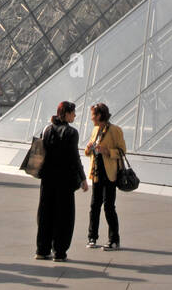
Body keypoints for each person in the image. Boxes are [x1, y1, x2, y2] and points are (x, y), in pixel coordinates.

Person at [35, 100, 88, 261]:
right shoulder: (72, 132)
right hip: (64, 180)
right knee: (64, 216)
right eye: (73, 112)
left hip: (47, 178)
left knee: (45, 213)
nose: (75, 115)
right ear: (66, 114)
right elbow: (74, 157)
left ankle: (42, 250)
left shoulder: (47, 129)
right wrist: (83, 178)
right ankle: (59, 251)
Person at [85, 102, 127, 251]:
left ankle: (114, 240)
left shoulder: (115, 130)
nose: (91, 118)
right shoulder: (95, 129)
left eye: (93, 115)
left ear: (100, 115)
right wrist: (89, 148)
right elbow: (88, 150)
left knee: (109, 207)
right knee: (94, 206)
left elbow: (122, 151)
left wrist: (107, 151)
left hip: (110, 174)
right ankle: (92, 237)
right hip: (96, 173)